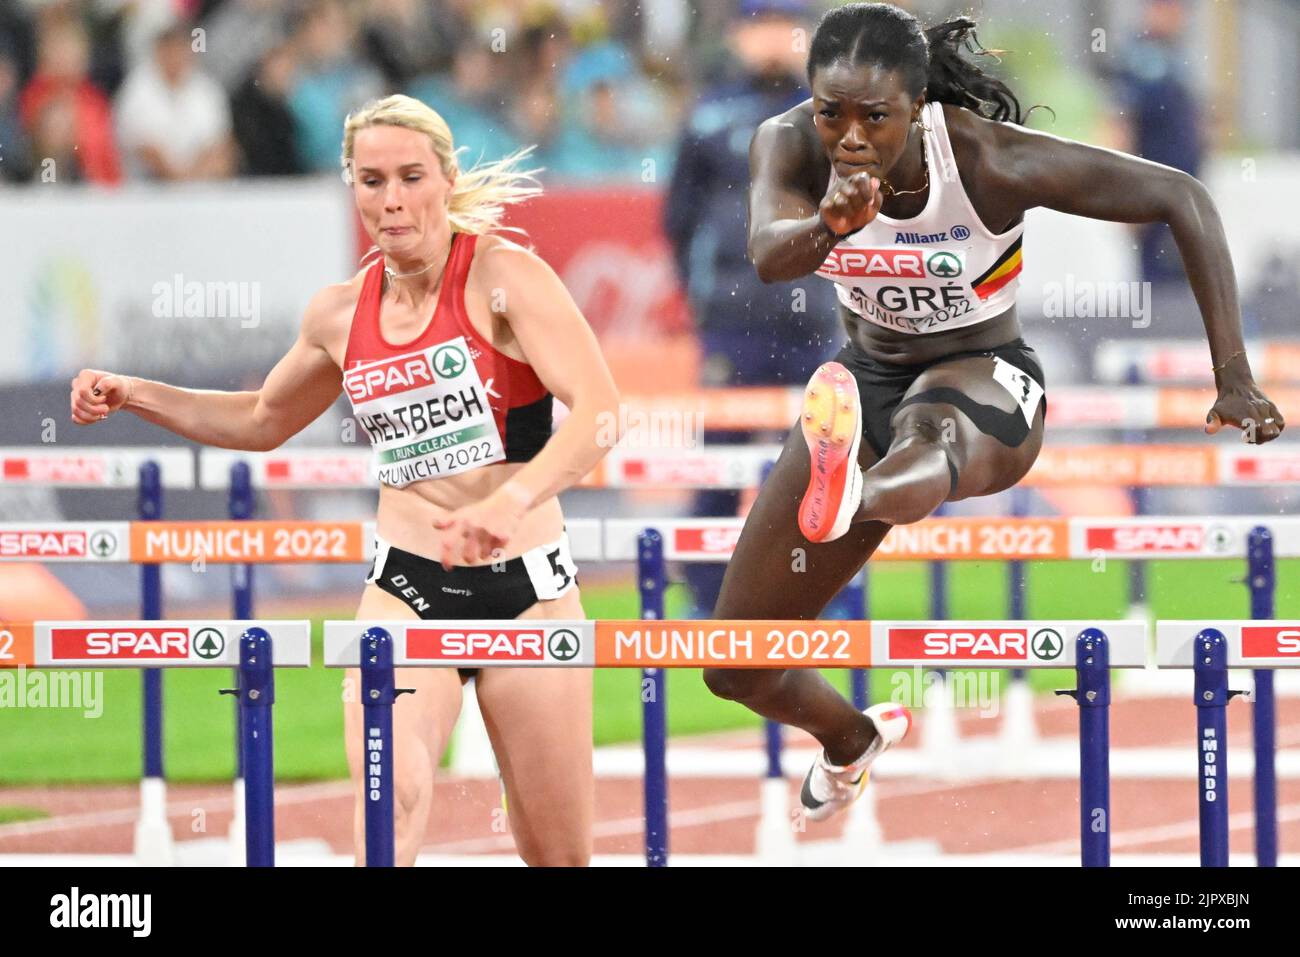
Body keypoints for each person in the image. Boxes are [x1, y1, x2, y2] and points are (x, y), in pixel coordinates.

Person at [705, 2, 1284, 824]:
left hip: (985, 380)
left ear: (919, 105)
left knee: (926, 432)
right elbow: (768, 256)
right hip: (864, 382)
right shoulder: (788, 142)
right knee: (736, 663)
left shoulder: (981, 157)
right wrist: (830, 223)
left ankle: (852, 494)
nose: (852, 137)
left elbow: (1180, 196)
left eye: (877, 117)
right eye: (832, 111)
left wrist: (1232, 374)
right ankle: (851, 738)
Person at [69, 93, 621, 866]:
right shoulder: (339, 315)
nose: (391, 200)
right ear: (351, 188)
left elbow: (601, 412)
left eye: (409, 177)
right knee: (386, 811)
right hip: (406, 591)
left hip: (529, 593)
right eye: (370, 181)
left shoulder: (504, 279)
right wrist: (136, 392)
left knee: (557, 853)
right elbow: (261, 419)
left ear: (446, 177)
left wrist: (512, 497)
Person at [663, 0, 840, 616]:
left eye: (783, 26)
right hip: (734, 324)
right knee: (721, 463)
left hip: (814, 320)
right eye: (758, 25)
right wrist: (706, 297)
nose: (770, 41)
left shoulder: (831, 114)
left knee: (820, 467)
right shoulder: (708, 114)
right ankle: (706, 600)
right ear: (737, 34)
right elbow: (678, 220)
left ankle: (808, 597)